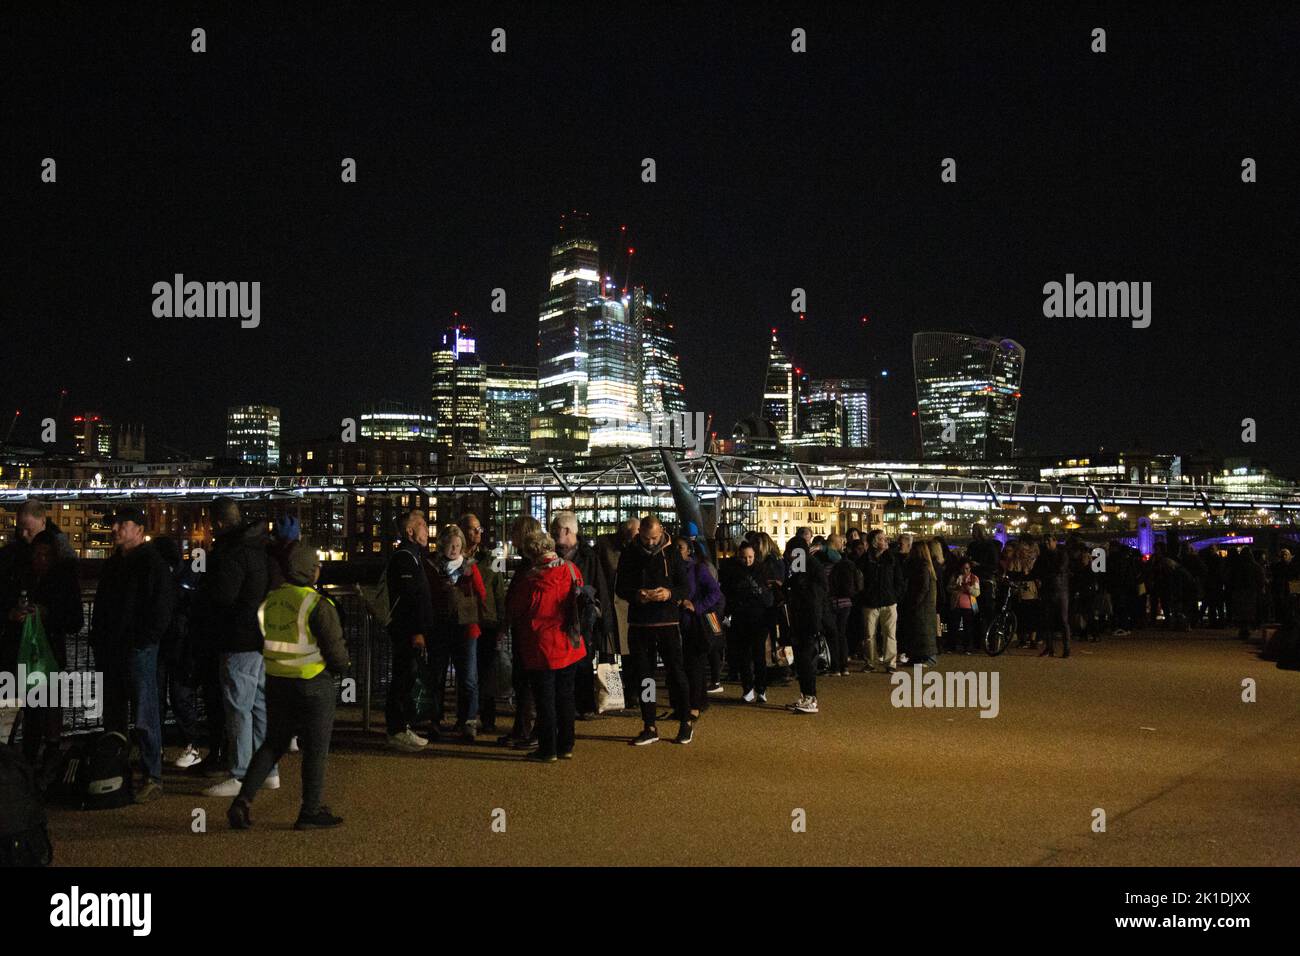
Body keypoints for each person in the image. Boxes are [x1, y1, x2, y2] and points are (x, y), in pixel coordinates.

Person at [228, 541, 350, 830]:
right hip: (313, 684)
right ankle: (310, 811)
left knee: (273, 743)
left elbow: (262, 640)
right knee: (316, 750)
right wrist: (341, 668)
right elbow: (336, 653)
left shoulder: (269, 602)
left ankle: (243, 801)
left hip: (277, 682)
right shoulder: (317, 604)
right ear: (310, 571)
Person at [90, 506, 174, 803]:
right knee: (117, 712)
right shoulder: (120, 563)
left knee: (143, 713)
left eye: (121, 524)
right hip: (115, 648)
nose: (114, 529)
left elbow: (162, 609)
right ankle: (119, 771)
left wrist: (144, 641)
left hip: (135, 649)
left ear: (139, 529)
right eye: (114, 524)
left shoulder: (151, 564)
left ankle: (152, 776)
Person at [200, 498, 276, 796]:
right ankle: (268, 769)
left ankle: (241, 773)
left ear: (218, 523)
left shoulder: (231, 552)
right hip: (259, 637)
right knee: (258, 705)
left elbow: (223, 596)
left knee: (237, 708)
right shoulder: (258, 547)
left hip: (236, 637)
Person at [2, 524, 81, 766]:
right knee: (10, 713)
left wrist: (47, 614)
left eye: (46, 555)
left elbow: (74, 621)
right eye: (37, 554)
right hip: (17, 658)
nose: (41, 559)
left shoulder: (61, 583)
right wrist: (11, 614)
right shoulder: (16, 577)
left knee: (36, 716)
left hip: (43, 662)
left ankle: (28, 765)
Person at [508, 529, 586, 762]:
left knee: (545, 700)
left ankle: (547, 748)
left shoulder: (530, 579)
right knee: (565, 696)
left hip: (541, 646)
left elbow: (516, 609)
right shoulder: (571, 569)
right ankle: (566, 744)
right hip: (569, 642)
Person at [614, 515, 690, 746]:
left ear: (661, 532)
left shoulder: (672, 553)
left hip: (667, 622)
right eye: (646, 539)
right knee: (645, 676)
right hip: (640, 623)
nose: (650, 543)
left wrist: (669, 594)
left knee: (676, 672)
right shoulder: (630, 553)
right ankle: (649, 724)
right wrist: (637, 594)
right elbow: (620, 587)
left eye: (654, 538)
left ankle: (685, 721)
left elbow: (685, 586)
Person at [550, 511, 614, 721]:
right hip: (567, 616)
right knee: (579, 660)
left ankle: (582, 703)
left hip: (580, 618)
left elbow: (600, 587)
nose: (552, 533)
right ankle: (576, 704)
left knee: (583, 661)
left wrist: (604, 621)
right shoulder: (588, 556)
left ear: (566, 531)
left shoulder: (587, 557)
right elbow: (601, 587)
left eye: (555, 530)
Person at [427, 524, 487, 740]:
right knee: (437, 676)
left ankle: (468, 720)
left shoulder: (470, 568)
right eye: (450, 545)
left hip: (465, 628)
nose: (454, 549)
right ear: (442, 545)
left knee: (468, 678)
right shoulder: (432, 567)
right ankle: (436, 719)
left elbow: (481, 594)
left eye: (457, 545)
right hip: (442, 628)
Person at [384, 508, 435, 752]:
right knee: (404, 677)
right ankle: (397, 729)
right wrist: (417, 630)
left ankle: (401, 726)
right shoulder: (405, 558)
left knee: (405, 676)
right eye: (423, 525)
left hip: (408, 630)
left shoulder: (411, 556)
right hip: (406, 631)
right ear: (410, 531)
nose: (427, 529)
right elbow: (409, 599)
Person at [151, 536, 204, 769]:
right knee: (177, 697)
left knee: (167, 697)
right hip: (178, 645)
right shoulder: (188, 575)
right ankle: (188, 745)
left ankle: (176, 746)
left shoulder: (163, 578)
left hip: (173, 645)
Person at [459, 513, 506, 733]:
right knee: (465, 672)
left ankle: (487, 718)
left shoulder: (492, 557)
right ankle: (465, 716)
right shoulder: (454, 557)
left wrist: (501, 624)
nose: (477, 533)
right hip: (463, 621)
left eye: (479, 529)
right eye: (472, 529)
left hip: (486, 622)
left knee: (485, 672)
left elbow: (499, 591)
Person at [501, 515, 543, 749]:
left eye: (515, 531)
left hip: (528, 633)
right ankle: (523, 728)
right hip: (525, 632)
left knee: (527, 683)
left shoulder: (529, 567)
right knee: (524, 682)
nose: (511, 536)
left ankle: (529, 729)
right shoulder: (531, 565)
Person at [675, 535, 722, 738]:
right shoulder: (672, 569)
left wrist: (696, 607)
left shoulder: (697, 569)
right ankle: (696, 701)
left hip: (695, 624)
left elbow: (715, 592)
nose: (677, 550)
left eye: (681, 547)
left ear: (689, 550)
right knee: (686, 665)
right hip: (678, 624)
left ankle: (694, 705)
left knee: (694, 665)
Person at [784, 535, 833, 713]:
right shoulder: (806, 566)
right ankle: (806, 695)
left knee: (805, 660)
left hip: (807, 620)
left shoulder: (806, 567)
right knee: (802, 660)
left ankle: (811, 697)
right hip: (805, 619)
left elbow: (810, 596)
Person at [719, 541, 773, 703]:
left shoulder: (761, 569)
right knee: (744, 655)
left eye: (750, 557)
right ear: (738, 556)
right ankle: (748, 688)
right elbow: (726, 593)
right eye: (744, 557)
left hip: (759, 617)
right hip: (741, 617)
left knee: (759, 655)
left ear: (755, 556)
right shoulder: (732, 571)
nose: (747, 561)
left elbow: (767, 593)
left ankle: (761, 689)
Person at [858, 529, 903, 673]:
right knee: (869, 634)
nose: (885, 541)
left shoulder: (892, 559)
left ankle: (890, 663)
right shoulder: (865, 560)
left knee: (890, 633)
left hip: (888, 601)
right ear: (874, 542)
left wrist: (895, 595)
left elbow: (899, 580)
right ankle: (871, 661)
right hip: (870, 602)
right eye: (882, 539)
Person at [826, 533, 859, 676]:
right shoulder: (845, 560)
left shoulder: (824, 561)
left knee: (833, 634)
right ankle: (844, 666)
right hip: (846, 601)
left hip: (831, 601)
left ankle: (835, 666)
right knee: (842, 634)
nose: (843, 545)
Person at [1034, 536, 1071, 658]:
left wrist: (1043, 574)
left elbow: (1060, 569)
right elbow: (1036, 571)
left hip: (1060, 590)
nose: (1046, 543)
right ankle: (1049, 648)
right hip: (1048, 590)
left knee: (1063, 620)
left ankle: (1066, 648)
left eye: (1049, 541)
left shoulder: (1062, 554)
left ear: (1055, 541)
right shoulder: (1043, 556)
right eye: (1045, 541)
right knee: (1047, 620)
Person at [903, 539, 939, 666]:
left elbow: (924, 587)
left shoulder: (923, 567)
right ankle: (916, 656)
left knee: (924, 631)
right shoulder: (921, 566)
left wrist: (916, 601)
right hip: (921, 603)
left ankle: (930, 657)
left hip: (922, 604)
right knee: (916, 631)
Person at [948, 558, 981, 654]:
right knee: (954, 626)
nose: (965, 571)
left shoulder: (974, 578)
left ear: (970, 568)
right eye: (963, 568)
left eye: (967, 568)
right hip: (956, 605)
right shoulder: (955, 577)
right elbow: (949, 588)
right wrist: (956, 588)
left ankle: (967, 647)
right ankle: (952, 646)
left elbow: (977, 593)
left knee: (968, 628)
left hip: (969, 607)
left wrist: (969, 589)